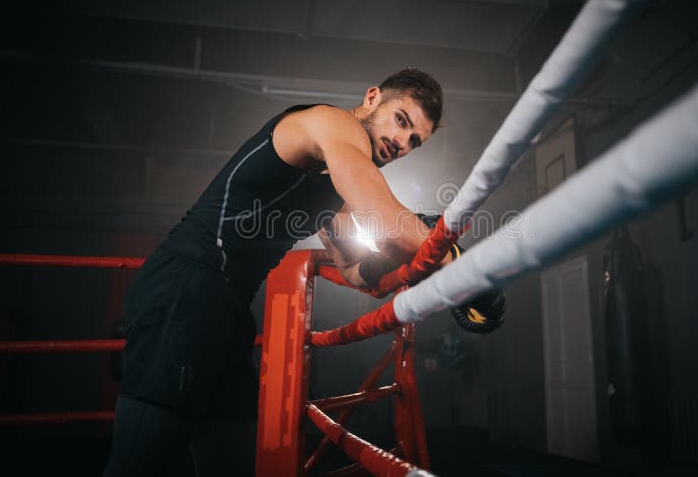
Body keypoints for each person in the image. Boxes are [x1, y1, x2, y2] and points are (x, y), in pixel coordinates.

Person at [102, 68, 446, 477]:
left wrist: (403, 259)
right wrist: (451, 255)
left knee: (231, 458)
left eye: (414, 142)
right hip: (186, 289)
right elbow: (388, 221)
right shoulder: (333, 125)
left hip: (226, 308)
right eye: (401, 120)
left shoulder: (337, 182)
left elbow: (353, 269)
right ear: (373, 98)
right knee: (137, 464)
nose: (401, 143)